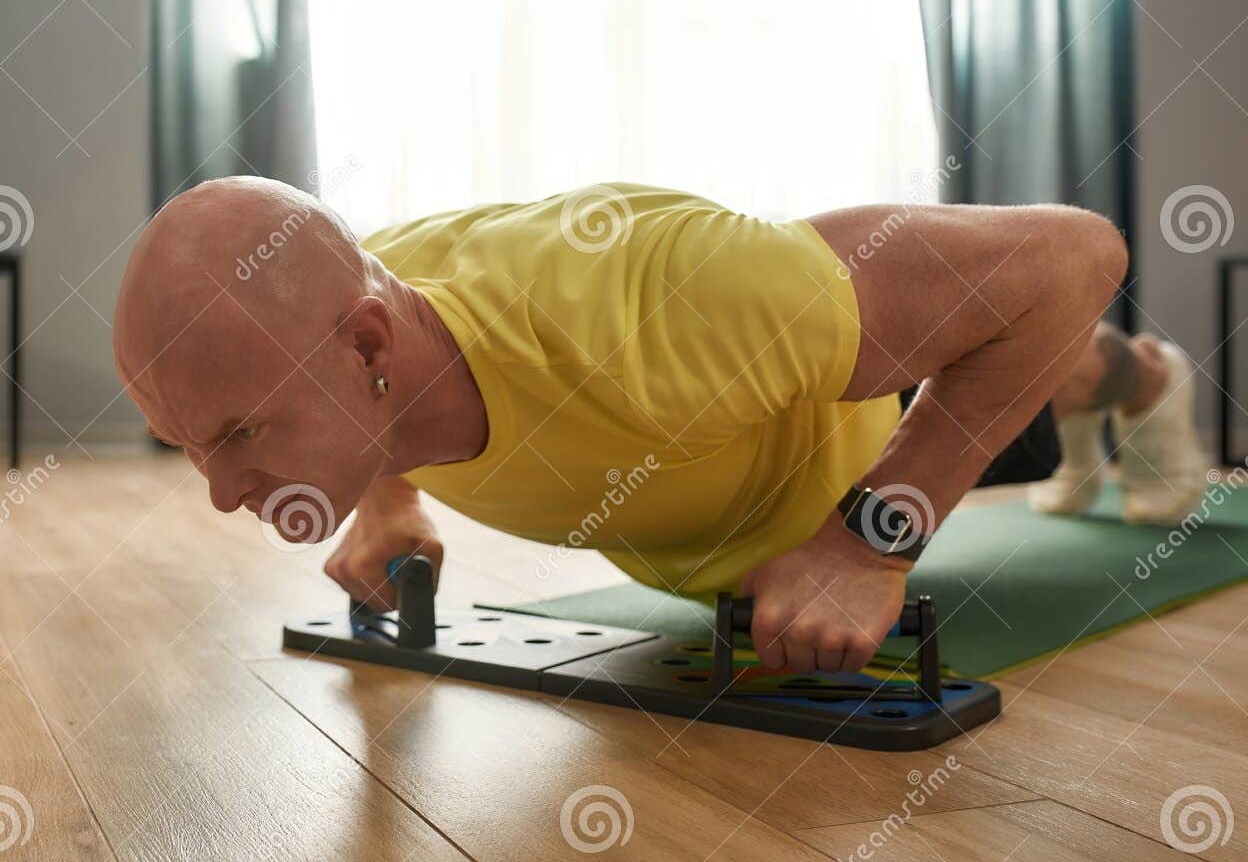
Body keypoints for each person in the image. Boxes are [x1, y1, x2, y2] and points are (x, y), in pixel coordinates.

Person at [112, 177, 1207, 676]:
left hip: (855, 433)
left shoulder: (657, 314)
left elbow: (1076, 256)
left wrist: (866, 539)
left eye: (242, 435)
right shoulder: (360, 311)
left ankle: (1146, 378)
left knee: (1057, 356)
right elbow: (366, 392)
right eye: (189, 442)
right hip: (704, 447)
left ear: (366, 349)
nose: (218, 491)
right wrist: (386, 499)